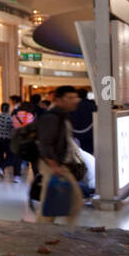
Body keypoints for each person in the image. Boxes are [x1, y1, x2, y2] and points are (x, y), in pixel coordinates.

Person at [34, 85, 85, 225]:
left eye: (75, 97)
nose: (74, 101)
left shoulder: (63, 116)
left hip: (60, 164)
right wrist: (54, 166)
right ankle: (40, 234)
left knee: (68, 201)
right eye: (70, 98)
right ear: (58, 100)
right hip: (52, 165)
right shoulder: (51, 117)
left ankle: (54, 231)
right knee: (59, 202)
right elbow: (45, 143)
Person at [0, 102, 14, 178]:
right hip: (7, 139)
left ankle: (1, 170)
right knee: (9, 155)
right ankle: (3, 167)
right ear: (8, 109)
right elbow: (11, 129)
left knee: (0, 154)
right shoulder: (10, 118)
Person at [70, 87, 96, 156]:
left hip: (75, 135)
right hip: (90, 134)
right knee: (89, 154)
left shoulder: (71, 106)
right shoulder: (92, 105)